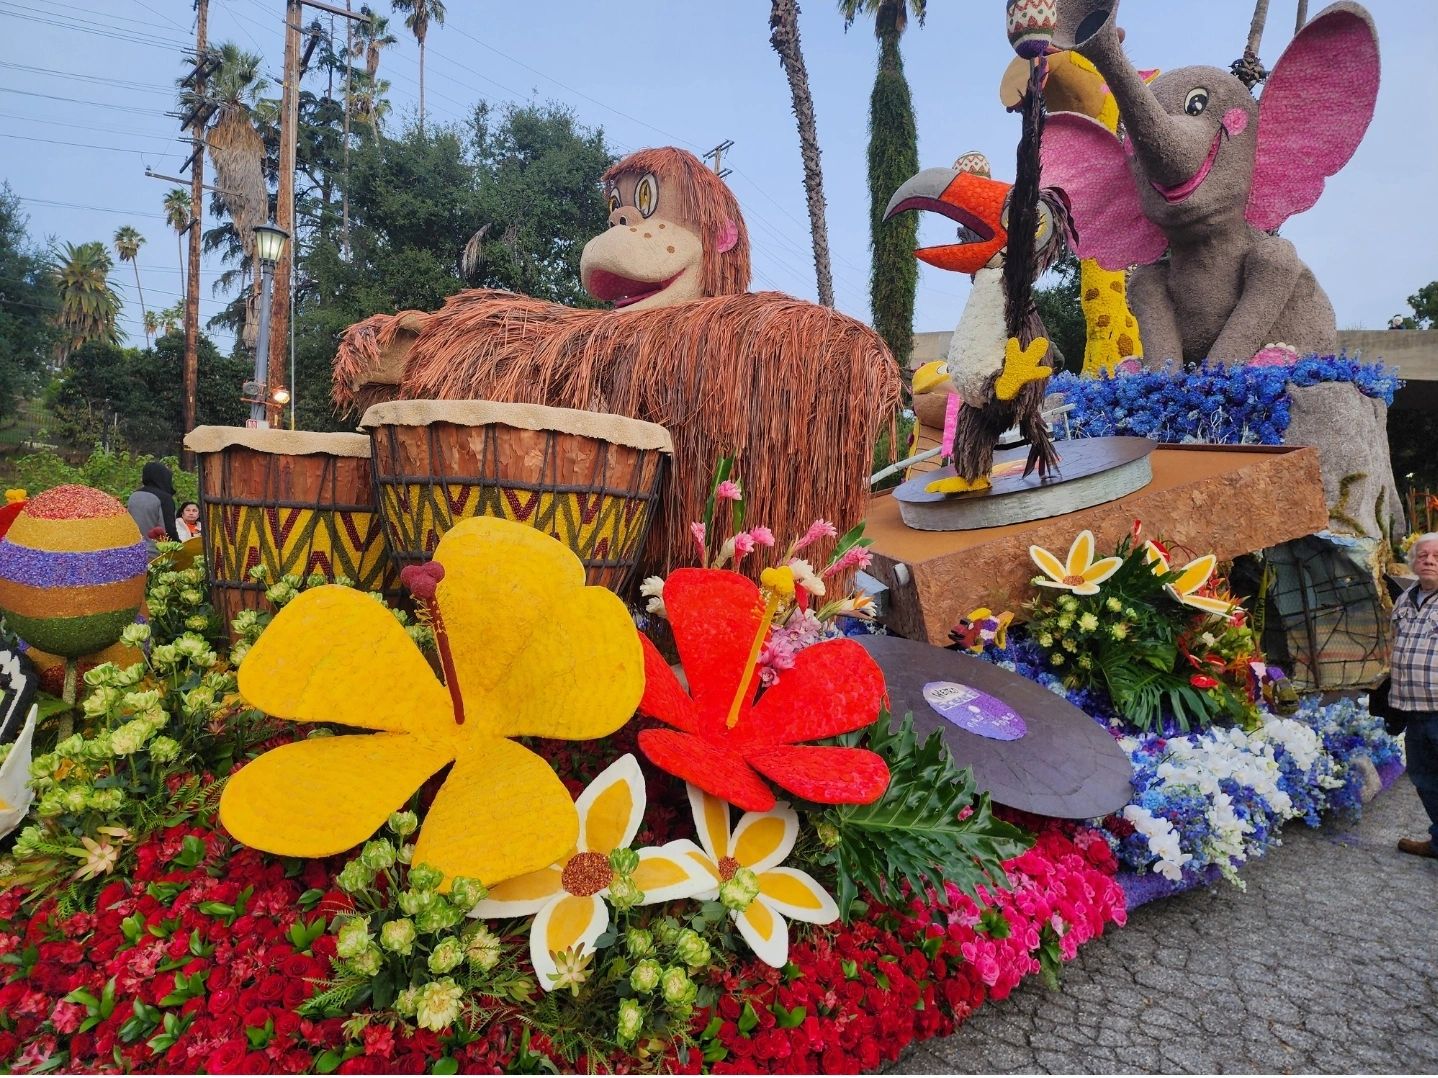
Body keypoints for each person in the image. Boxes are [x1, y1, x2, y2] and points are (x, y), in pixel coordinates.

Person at [1392, 532, 1438, 858]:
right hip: (1412, 708)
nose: (1428, 561)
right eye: (1422, 556)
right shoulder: (1404, 599)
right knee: (1424, 779)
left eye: (1436, 556)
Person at [126, 461, 180, 553]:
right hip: (156, 553)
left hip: (133, 550)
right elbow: (169, 529)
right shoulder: (164, 498)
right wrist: (178, 547)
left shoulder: (134, 495)